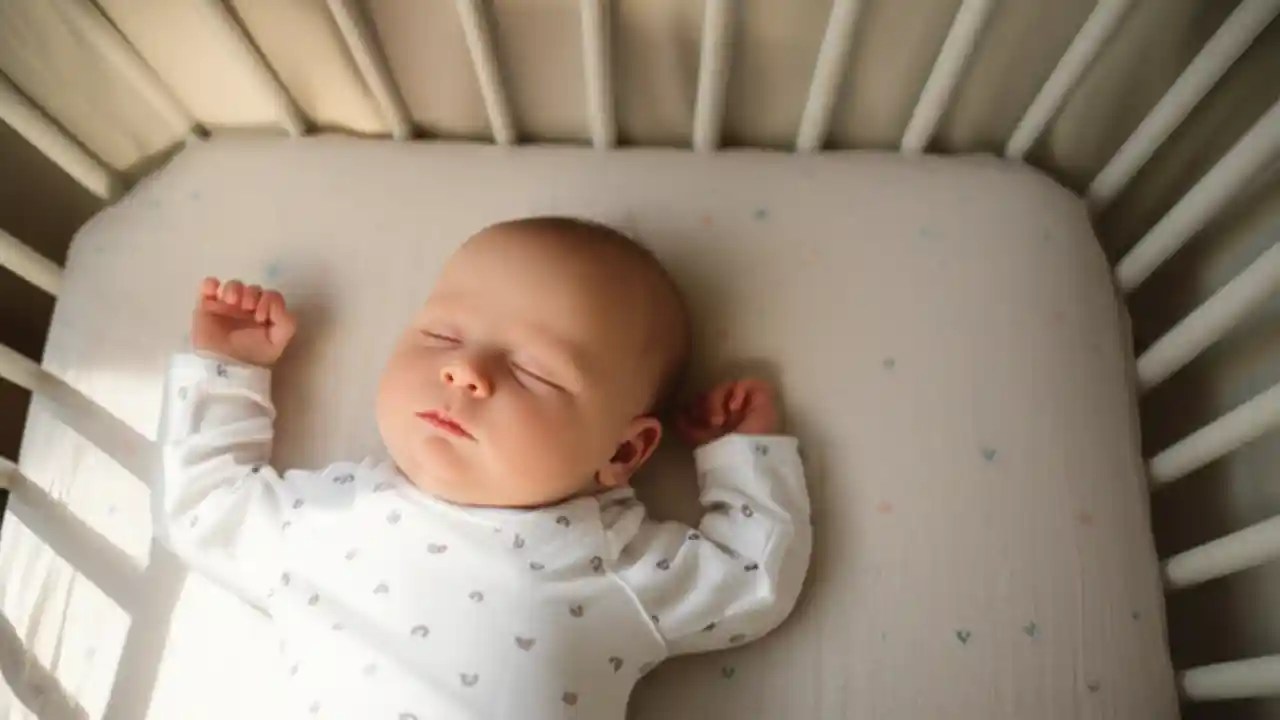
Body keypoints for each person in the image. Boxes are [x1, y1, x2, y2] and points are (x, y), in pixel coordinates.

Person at [160, 216, 811, 718]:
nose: (465, 370)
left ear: (621, 453)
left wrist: (742, 455)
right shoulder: (327, 515)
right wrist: (228, 370)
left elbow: (752, 583)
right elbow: (204, 509)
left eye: (534, 372)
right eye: (442, 337)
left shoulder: (610, 559)